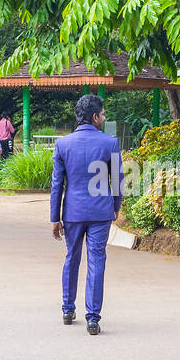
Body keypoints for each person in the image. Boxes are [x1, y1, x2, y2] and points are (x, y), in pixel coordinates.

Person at [49, 95, 122, 335]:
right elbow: (118, 181)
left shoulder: (63, 144)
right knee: (96, 261)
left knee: (72, 257)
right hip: (101, 212)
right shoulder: (109, 143)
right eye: (102, 114)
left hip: (73, 212)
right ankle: (93, 318)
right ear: (94, 117)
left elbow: (57, 185)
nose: (104, 117)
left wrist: (55, 218)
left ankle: (68, 310)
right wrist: (115, 207)